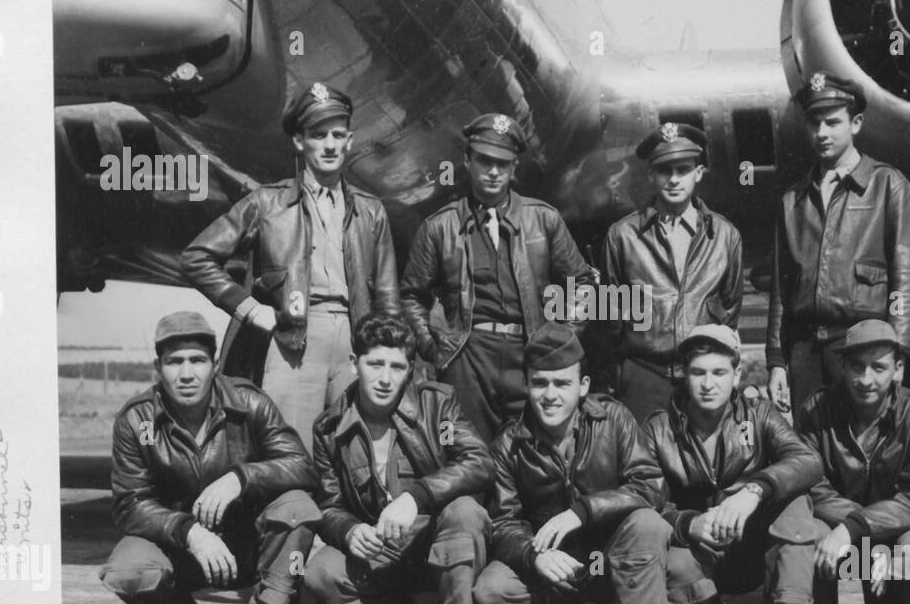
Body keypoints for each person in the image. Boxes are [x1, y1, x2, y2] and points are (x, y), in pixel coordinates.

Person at [99, 312, 320, 604]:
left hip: (246, 548)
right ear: (158, 367)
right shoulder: (136, 420)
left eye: (198, 360)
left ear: (215, 364)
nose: (187, 374)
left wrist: (240, 478)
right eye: (174, 362)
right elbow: (129, 503)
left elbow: (301, 465)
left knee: (297, 507)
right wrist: (190, 531)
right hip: (182, 554)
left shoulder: (249, 403)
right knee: (126, 568)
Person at [181, 82, 400, 446]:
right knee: (292, 452)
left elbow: (388, 295)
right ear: (299, 141)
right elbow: (196, 257)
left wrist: (387, 354)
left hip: (355, 341)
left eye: (337, 134)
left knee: (355, 454)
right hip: (292, 341)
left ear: (349, 141)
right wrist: (249, 310)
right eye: (318, 135)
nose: (329, 144)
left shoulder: (371, 210)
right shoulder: (267, 204)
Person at [472, 323, 674, 604]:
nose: (550, 395)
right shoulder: (508, 444)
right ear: (527, 384)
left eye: (562, 383)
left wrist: (583, 511)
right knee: (492, 590)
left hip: (604, 563)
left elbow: (650, 486)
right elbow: (503, 523)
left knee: (649, 524)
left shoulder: (614, 419)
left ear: (583, 386)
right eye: (539, 383)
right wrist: (535, 558)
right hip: (548, 573)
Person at [302, 314, 494, 604]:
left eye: (396, 366)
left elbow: (479, 461)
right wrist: (348, 530)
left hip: (434, 541)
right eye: (375, 364)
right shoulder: (328, 428)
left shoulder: (437, 406)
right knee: (319, 574)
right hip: (379, 552)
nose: (385, 378)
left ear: (409, 370)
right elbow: (327, 506)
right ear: (354, 363)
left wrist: (417, 497)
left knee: (466, 511)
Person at [400, 113, 596, 442]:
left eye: (502, 164)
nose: (493, 172)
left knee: (533, 454)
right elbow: (412, 295)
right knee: (464, 450)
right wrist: (433, 348)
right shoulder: (439, 226)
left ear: (514, 167)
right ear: (467, 160)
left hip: (531, 353)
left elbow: (583, 285)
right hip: (468, 357)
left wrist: (562, 340)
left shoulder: (544, 219)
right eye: (484, 161)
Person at [643, 326, 822, 604]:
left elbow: (808, 461)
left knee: (795, 503)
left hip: (750, 548)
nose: (708, 384)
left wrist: (753, 492)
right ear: (683, 374)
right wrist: (688, 523)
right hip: (695, 550)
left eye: (719, 373)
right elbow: (645, 498)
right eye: (698, 372)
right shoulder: (658, 429)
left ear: (736, 375)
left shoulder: (760, 414)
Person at [766, 72, 910, 416]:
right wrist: (777, 360)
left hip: (865, 347)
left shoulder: (888, 185)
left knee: (872, 450)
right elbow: (782, 288)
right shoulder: (792, 199)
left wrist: (895, 351)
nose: (822, 133)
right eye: (814, 123)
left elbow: (906, 279)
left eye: (832, 122)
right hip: (805, 350)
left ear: (856, 123)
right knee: (810, 450)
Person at [795, 320, 910, 604]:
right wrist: (856, 531)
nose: (866, 380)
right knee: (809, 529)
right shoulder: (817, 409)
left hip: (890, 535)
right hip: (839, 532)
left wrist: (858, 529)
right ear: (843, 367)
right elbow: (810, 482)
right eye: (856, 367)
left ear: (899, 369)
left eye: (879, 367)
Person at [596, 123, 744, 424]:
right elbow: (609, 317)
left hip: (700, 378)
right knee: (639, 466)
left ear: (698, 173)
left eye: (683, 169)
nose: (674, 179)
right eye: (665, 169)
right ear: (651, 174)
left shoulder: (726, 236)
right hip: (643, 374)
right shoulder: (622, 236)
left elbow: (729, 309)